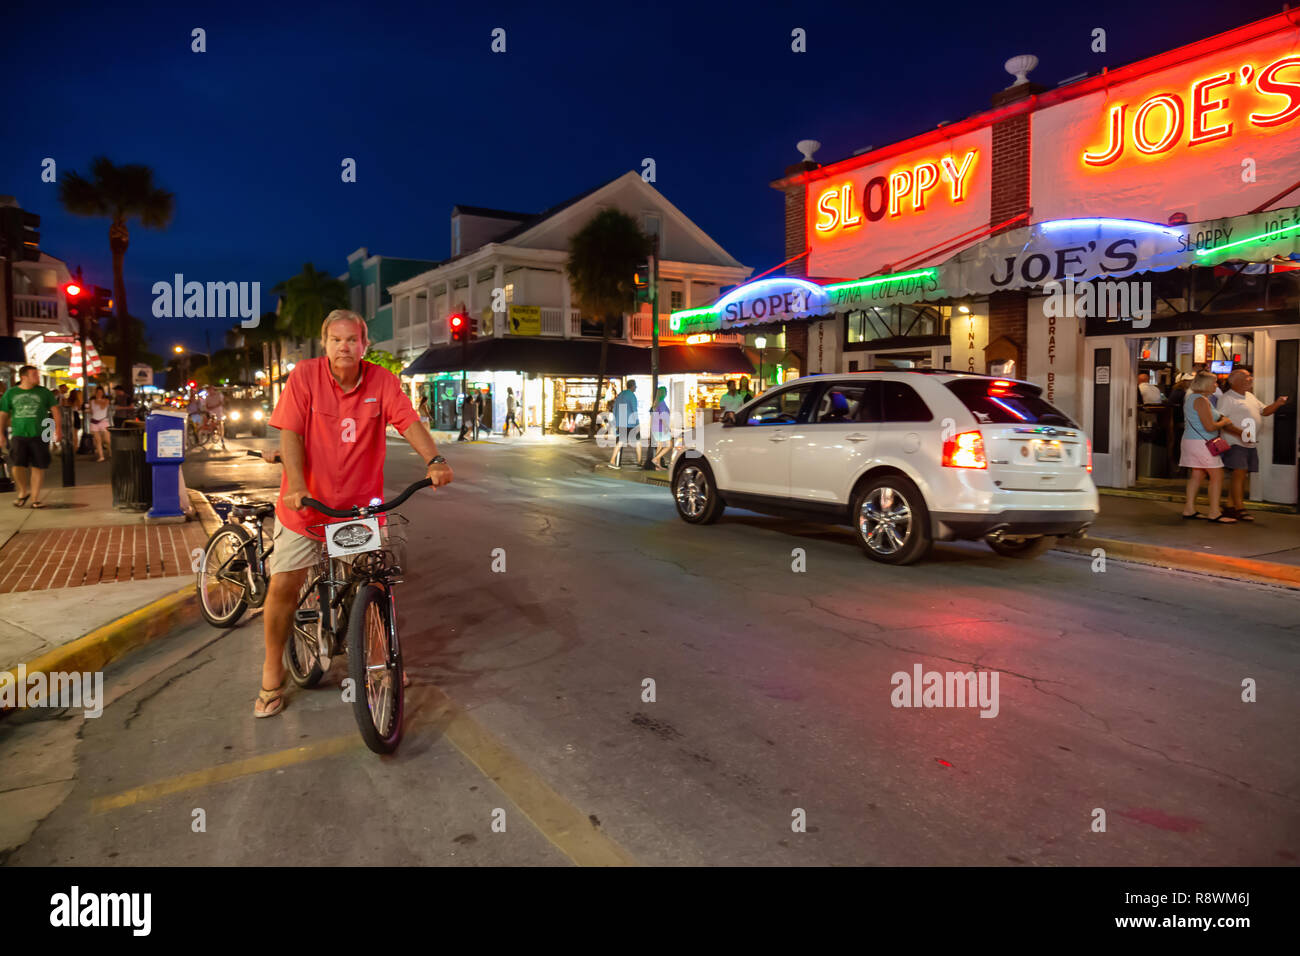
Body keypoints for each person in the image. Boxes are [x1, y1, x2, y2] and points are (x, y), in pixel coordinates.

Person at [253, 309, 453, 718]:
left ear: (364, 346)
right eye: (336, 340)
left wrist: (435, 459)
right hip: (307, 506)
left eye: (352, 340)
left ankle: (381, 657)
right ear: (325, 344)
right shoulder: (305, 377)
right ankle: (272, 665)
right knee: (284, 585)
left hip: (359, 509)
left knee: (374, 582)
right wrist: (297, 485)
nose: (344, 347)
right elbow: (289, 433)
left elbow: (408, 421)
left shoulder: (382, 381)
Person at [1218, 367, 1288, 523]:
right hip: (1235, 442)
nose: (1250, 380)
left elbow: (1264, 411)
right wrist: (1242, 434)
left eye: (1250, 377)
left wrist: (1278, 403)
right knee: (1239, 474)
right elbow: (1222, 422)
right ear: (1234, 382)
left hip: (1248, 442)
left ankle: (1230, 506)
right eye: (1246, 378)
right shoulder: (1227, 398)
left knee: (1242, 475)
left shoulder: (1250, 396)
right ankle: (1240, 508)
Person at [1179, 370, 1240, 524]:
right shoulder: (1201, 400)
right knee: (1217, 475)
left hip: (1191, 441)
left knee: (1197, 474)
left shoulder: (1192, 398)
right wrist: (1224, 422)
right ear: (1205, 384)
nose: (1216, 385)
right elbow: (1210, 426)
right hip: (1203, 443)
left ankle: (1189, 508)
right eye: (1214, 382)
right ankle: (1214, 512)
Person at [0, 365, 62, 509]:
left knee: (38, 467)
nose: (37, 377)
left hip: (40, 434)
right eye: (34, 374)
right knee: (16, 466)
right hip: (19, 434)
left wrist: (57, 430)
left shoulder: (44, 392)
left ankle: (35, 498)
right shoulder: (11, 393)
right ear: (24, 377)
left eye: (38, 374)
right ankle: (22, 492)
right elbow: (3, 414)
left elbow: (55, 411)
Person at [609, 380, 638, 467]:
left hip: (620, 422)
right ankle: (613, 460)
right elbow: (634, 410)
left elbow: (614, 409)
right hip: (630, 423)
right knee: (636, 442)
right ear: (632, 386)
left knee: (622, 441)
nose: (636, 388)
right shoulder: (632, 396)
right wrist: (637, 422)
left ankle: (615, 461)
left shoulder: (620, 395)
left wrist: (615, 421)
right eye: (635, 386)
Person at [87, 385, 112, 461]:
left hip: (103, 421)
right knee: (98, 440)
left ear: (103, 393)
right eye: (98, 392)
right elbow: (91, 411)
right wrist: (86, 410)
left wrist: (98, 401)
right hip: (94, 421)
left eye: (101, 392)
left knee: (107, 440)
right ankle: (101, 456)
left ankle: (110, 451)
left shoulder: (106, 400)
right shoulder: (91, 401)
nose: (99, 393)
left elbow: (103, 407)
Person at [650, 385, 672, 469]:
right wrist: (667, 427)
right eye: (666, 392)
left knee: (659, 446)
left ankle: (657, 466)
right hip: (661, 428)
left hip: (655, 428)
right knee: (669, 445)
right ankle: (655, 459)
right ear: (664, 393)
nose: (666, 393)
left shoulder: (656, 403)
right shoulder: (662, 403)